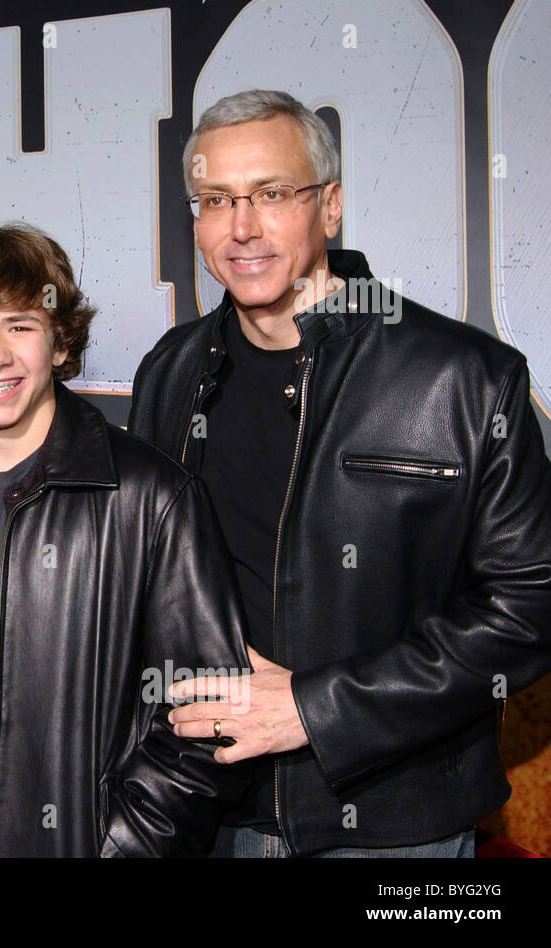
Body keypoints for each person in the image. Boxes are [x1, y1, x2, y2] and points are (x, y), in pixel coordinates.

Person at [128, 89, 551, 857]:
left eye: (271, 194)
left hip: (391, 821)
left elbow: (531, 606)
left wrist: (316, 709)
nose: (242, 226)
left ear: (330, 207)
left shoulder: (460, 376)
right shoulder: (171, 370)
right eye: (216, 199)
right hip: (200, 806)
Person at [0, 223, 250, 857]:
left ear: (60, 344)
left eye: (19, 326)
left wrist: (118, 849)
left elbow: (209, 720)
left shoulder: (150, 496)